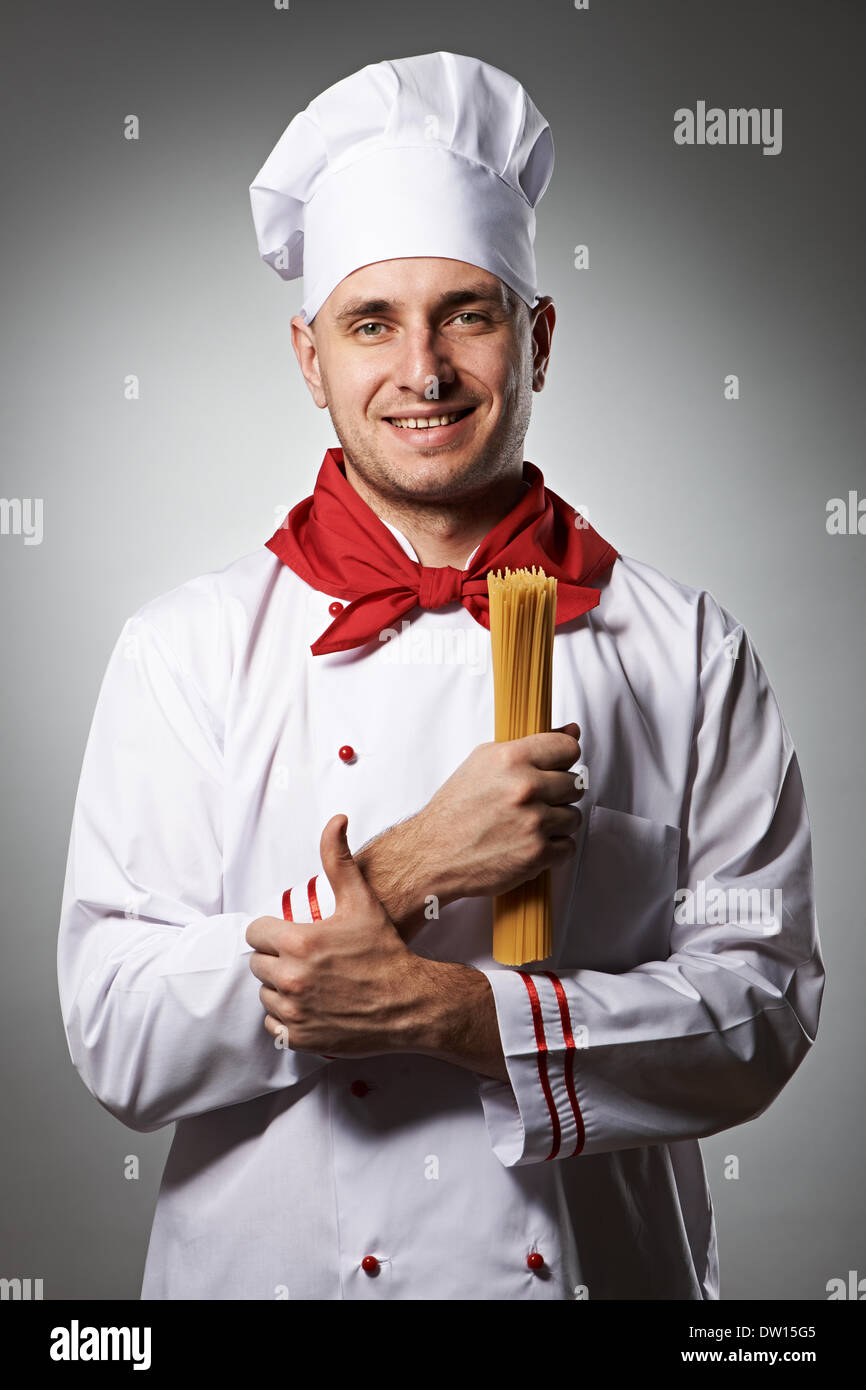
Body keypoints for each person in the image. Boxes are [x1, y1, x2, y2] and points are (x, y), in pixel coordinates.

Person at [56, 50, 824, 1301]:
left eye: (466, 312)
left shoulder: (689, 649)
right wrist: (410, 866)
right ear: (310, 358)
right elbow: (118, 1039)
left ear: (538, 337)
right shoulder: (182, 651)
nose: (423, 370)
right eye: (372, 323)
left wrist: (461, 1018)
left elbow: (762, 1006)